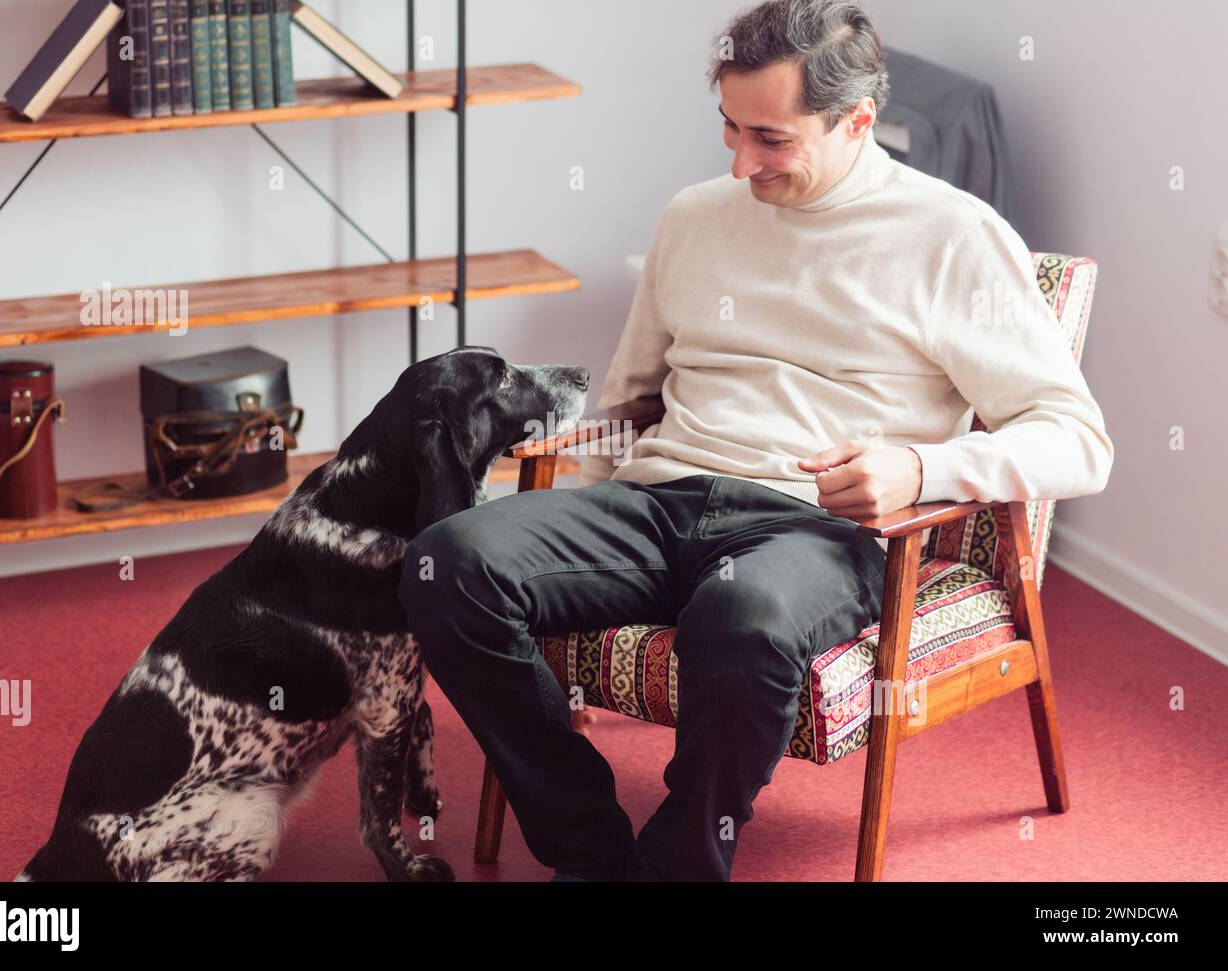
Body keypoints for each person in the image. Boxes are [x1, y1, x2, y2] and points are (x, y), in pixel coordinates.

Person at [398, 0, 1113, 882]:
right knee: (445, 563)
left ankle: (677, 865)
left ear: (859, 122)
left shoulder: (954, 238)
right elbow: (628, 399)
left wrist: (922, 465)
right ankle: (587, 844)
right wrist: (573, 506)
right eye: (729, 130)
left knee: (741, 619)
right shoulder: (695, 216)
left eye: (771, 140)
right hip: (655, 502)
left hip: (808, 528)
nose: (741, 165)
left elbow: (1080, 440)